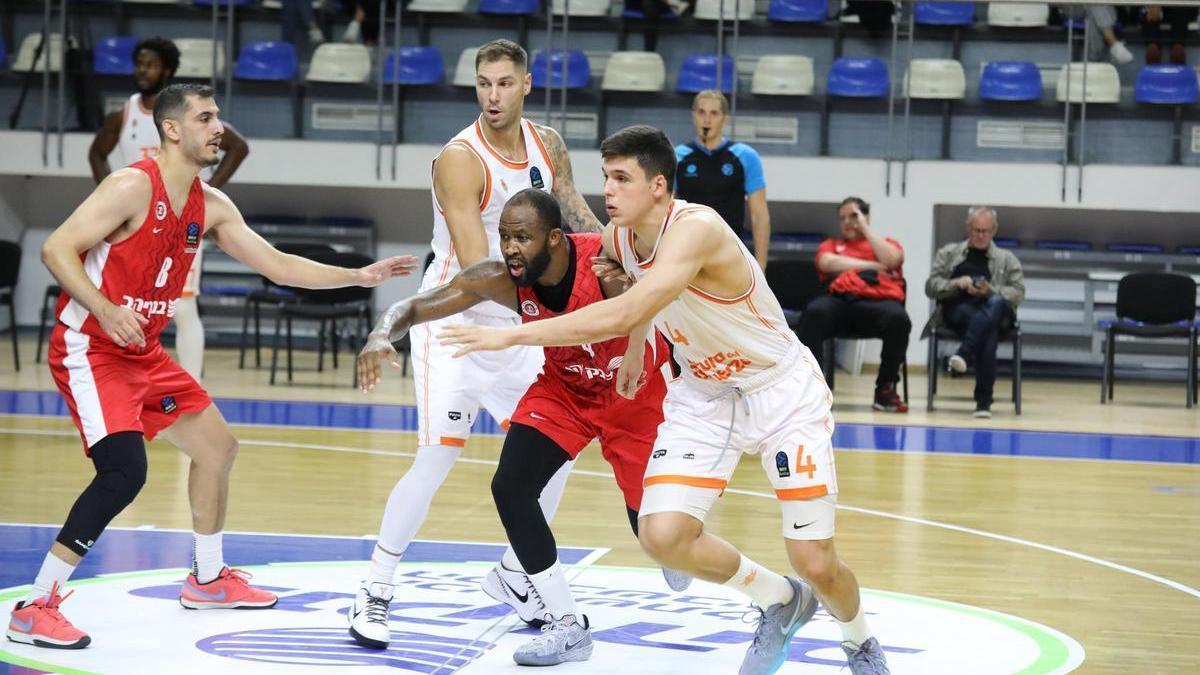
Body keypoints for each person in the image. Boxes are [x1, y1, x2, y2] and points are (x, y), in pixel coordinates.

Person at [438, 125, 890, 675]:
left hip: (777, 389)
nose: (608, 190)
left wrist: (512, 334)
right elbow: (635, 300)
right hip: (703, 391)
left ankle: (858, 641)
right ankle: (779, 599)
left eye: (621, 178)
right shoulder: (620, 238)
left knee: (815, 560)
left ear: (658, 185)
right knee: (662, 535)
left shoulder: (696, 228)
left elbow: (632, 305)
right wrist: (634, 352)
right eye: (605, 176)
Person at [7, 83, 415, 650]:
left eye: (218, 116)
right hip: (90, 347)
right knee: (124, 473)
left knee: (217, 448)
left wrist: (356, 276)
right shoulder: (130, 186)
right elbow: (56, 248)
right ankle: (36, 606)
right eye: (205, 117)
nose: (217, 126)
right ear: (172, 129)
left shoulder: (211, 204)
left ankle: (206, 579)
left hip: (143, 353)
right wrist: (103, 306)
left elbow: (275, 264)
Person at [347, 38, 606, 648]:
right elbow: (475, 268)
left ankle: (518, 577)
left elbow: (577, 219)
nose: (493, 95)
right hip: (459, 320)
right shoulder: (460, 160)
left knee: (557, 456)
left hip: (523, 322)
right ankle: (376, 589)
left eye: (504, 83)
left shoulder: (549, 146)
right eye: (484, 84)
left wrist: (625, 261)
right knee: (438, 456)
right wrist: (566, 310)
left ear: (526, 85)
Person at [356, 189, 681, 663]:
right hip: (565, 390)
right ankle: (567, 624)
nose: (509, 247)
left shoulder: (603, 261)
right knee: (511, 486)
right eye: (505, 236)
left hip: (631, 394)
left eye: (522, 238)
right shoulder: (502, 279)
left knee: (656, 535)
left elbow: (651, 304)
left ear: (554, 239)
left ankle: (673, 544)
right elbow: (417, 306)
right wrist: (380, 332)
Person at [87, 37, 251, 381]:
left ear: (169, 70)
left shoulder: (186, 112)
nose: (142, 70)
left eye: (151, 64)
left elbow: (238, 147)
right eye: (139, 64)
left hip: (179, 224)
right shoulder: (125, 114)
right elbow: (96, 153)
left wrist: (206, 194)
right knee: (128, 305)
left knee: (183, 306)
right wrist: (109, 200)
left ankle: (191, 387)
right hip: (136, 224)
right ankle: (124, 377)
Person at [798, 197, 909, 413]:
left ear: (866, 217)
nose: (848, 222)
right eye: (843, 218)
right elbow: (827, 263)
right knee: (814, 312)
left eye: (854, 216)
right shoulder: (832, 244)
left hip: (875, 302)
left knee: (899, 319)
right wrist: (873, 265)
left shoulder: (887, 243)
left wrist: (864, 228)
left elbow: (893, 260)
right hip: (838, 301)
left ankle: (885, 390)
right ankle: (814, 389)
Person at [923, 206, 1025, 419]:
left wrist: (991, 291)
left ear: (994, 230)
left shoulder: (1007, 259)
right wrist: (955, 284)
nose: (980, 235)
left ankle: (962, 354)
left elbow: (1018, 292)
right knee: (988, 330)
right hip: (959, 311)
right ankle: (983, 402)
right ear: (968, 228)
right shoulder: (949, 253)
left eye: (985, 231)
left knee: (995, 305)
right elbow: (931, 287)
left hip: (996, 312)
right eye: (976, 230)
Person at [675, 90, 770, 270]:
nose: (707, 119)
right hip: (687, 252)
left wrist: (761, 267)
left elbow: (760, 216)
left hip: (730, 251)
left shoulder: (746, 156)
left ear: (724, 119)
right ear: (693, 116)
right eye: (701, 112)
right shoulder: (676, 156)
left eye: (714, 113)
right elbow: (664, 211)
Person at [1059, 4, 1134, 64]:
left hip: (1103, 8)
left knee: (1093, 12)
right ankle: (1113, 44)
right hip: (1075, 7)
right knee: (1096, 5)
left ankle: (1092, 61)